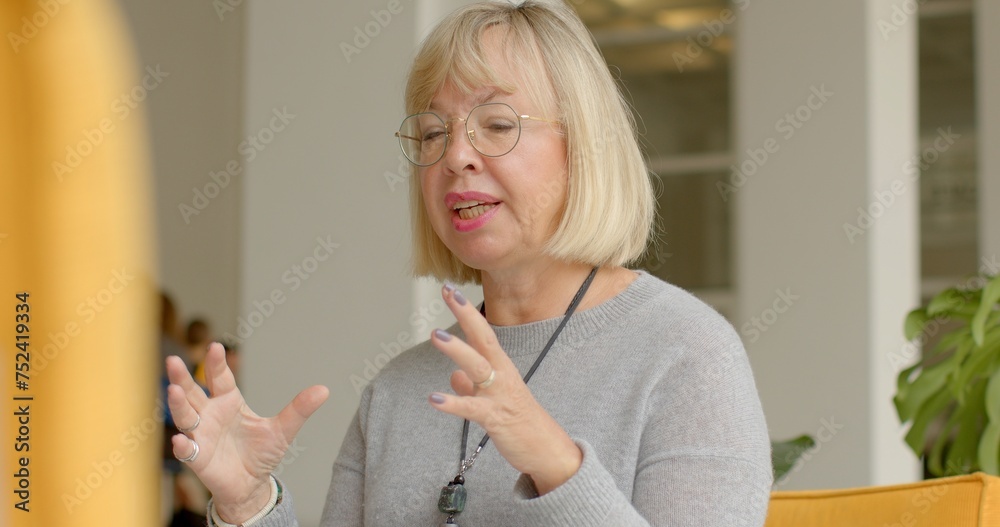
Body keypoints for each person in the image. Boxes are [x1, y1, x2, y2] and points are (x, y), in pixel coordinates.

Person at [164, 2, 773, 526]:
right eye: (432, 133)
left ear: (583, 148)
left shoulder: (690, 356)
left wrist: (555, 463)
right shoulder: (399, 391)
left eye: (498, 124)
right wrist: (248, 503)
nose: (456, 156)